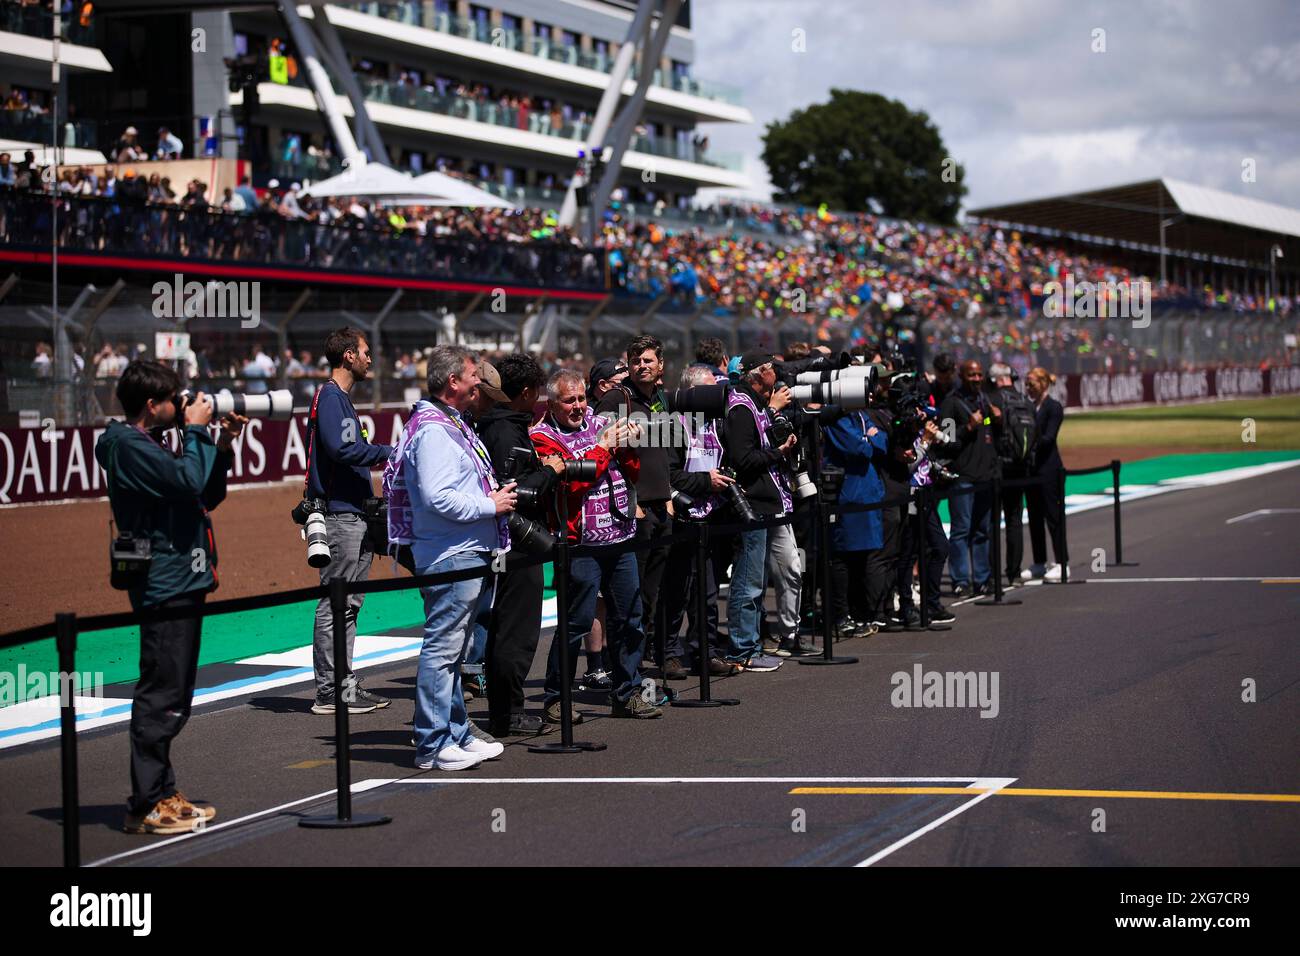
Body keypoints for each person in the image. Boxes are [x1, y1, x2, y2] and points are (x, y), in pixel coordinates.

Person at [95, 360, 247, 834]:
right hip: (164, 582)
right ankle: (146, 802)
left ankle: (161, 793)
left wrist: (219, 445)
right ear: (151, 405)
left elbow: (202, 495)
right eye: (173, 399)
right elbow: (184, 481)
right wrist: (199, 433)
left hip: (182, 578)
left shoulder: (148, 444)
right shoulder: (127, 446)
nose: (181, 405)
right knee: (162, 691)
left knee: (173, 689)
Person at [402, 347, 514, 770]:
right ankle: (432, 744)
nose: (478, 383)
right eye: (472, 375)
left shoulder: (449, 424)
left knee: (451, 651)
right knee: (443, 650)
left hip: (462, 552)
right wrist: (491, 506)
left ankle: (456, 731)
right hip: (449, 554)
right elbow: (437, 497)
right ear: (452, 381)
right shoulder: (433, 431)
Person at [531, 369, 662, 719]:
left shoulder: (598, 421)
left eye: (581, 398)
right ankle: (557, 698)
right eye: (568, 401)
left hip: (619, 536)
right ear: (552, 403)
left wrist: (629, 446)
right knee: (575, 623)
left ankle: (627, 693)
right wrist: (603, 447)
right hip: (579, 545)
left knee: (629, 617)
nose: (578, 406)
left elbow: (630, 472)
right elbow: (573, 483)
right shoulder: (542, 437)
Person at [305, 328, 394, 715]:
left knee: (349, 604)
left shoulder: (339, 399)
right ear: (347, 357)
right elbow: (344, 449)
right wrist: (391, 451)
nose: (370, 359)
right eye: (364, 352)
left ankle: (342, 684)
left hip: (353, 513)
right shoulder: (331, 397)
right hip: (340, 515)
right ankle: (330, 691)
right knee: (335, 603)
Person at [473, 354, 562, 736]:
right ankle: (507, 715)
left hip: (504, 540)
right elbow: (516, 492)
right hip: (516, 542)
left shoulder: (495, 424)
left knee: (505, 629)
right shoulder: (506, 429)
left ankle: (503, 712)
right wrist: (550, 471)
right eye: (537, 392)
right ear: (525, 392)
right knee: (516, 632)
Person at [595, 335, 675, 671]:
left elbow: (667, 452)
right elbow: (597, 448)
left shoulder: (659, 398)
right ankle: (623, 673)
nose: (641, 366)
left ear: (660, 365)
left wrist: (668, 496)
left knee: (651, 597)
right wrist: (633, 501)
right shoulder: (616, 398)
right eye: (635, 361)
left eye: (647, 361)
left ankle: (639, 666)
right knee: (628, 600)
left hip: (662, 509)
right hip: (633, 513)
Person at [720, 351, 800, 672]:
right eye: (771, 369)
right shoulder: (741, 407)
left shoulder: (752, 404)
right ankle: (743, 650)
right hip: (750, 504)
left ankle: (750, 645)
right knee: (748, 582)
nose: (776, 375)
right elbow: (744, 459)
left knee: (756, 580)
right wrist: (777, 453)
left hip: (765, 503)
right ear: (757, 374)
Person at [661, 364, 742, 677]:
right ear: (693, 393)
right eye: (711, 389)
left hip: (709, 518)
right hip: (680, 518)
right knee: (676, 592)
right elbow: (669, 476)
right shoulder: (671, 425)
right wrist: (706, 482)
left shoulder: (714, 424)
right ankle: (668, 653)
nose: (718, 395)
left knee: (707, 594)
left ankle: (705, 652)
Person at [825, 398, 889, 639]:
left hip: (868, 493)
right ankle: (842, 615)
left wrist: (870, 438)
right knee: (843, 556)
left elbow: (882, 442)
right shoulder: (837, 415)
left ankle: (861, 611)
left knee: (864, 558)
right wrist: (869, 438)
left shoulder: (861, 414)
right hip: (848, 495)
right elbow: (858, 448)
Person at [939, 359, 997, 597]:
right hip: (962, 476)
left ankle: (982, 578)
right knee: (961, 530)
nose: (976, 379)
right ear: (962, 376)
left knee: (982, 530)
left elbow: (988, 428)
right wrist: (968, 428)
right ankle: (960, 579)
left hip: (985, 475)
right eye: (972, 375)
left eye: (979, 375)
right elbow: (947, 442)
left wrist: (992, 419)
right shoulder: (951, 403)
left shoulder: (984, 399)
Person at [988, 362, 1038, 585]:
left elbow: (987, 428)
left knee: (991, 522)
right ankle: (1014, 571)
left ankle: (991, 573)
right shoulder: (1026, 402)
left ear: (995, 380)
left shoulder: (994, 400)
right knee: (1014, 520)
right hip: (1021, 467)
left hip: (998, 467)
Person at [1024, 367, 1065, 582]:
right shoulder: (1028, 407)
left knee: (1053, 517)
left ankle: (1061, 562)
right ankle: (1039, 561)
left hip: (1049, 469)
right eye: (1026, 384)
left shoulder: (1053, 407)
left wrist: (1025, 443)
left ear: (1043, 383)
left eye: (1031, 384)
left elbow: (1049, 438)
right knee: (1034, 517)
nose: (1028, 388)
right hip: (1031, 470)